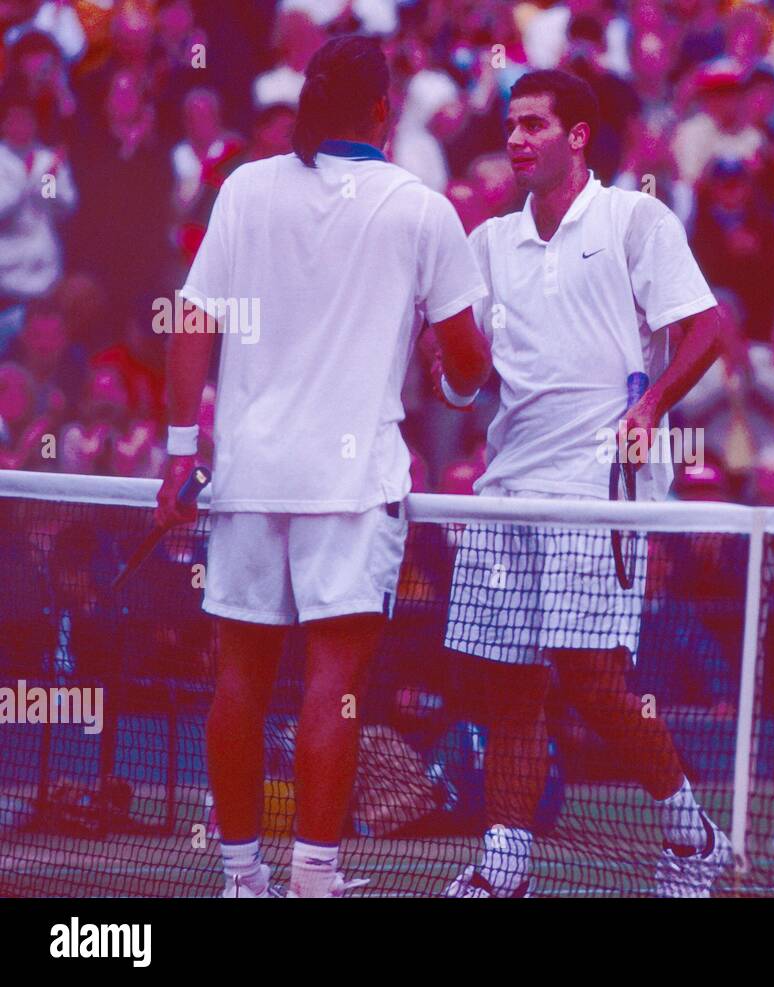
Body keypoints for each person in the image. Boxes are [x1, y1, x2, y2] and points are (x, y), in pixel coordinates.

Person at [154, 35, 492, 899]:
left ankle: (240, 878)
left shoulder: (244, 188)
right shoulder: (423, 209)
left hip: (249, 476)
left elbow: (191, 322)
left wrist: (180, 456)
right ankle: (314, 878)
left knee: (240, 678)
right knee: (334, 685)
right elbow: (468, 368)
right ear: (383, 110)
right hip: (351, 486)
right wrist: (443, 367)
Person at [441, 69, 727, 898]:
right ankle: (505, 863)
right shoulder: (488, 243)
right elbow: (465, 384)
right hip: (507, 488)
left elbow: (705, 328)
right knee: (510, 681)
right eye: (510, 124)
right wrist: (446, 364)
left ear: (576, 137)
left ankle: (689, 831)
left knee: (593, 678)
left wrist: (655, 409)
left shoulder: (635, 218)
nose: (517, 138)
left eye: (534, 124)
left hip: (598, 484)